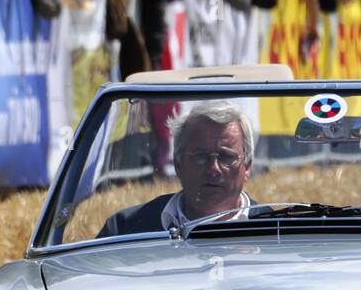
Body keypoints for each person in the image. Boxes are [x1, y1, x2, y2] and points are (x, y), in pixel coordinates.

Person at [98, 101, 254, 236]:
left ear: (247, 167)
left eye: (226, 157)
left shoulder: (276, 230)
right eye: (200, 157)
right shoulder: (124, 230)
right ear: (178, 164)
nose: (214, 169)